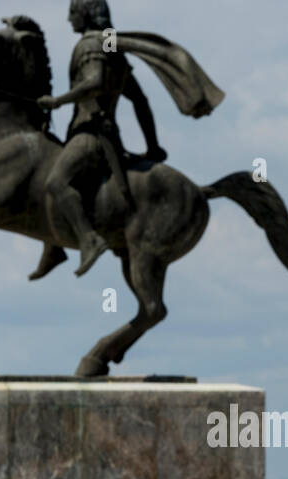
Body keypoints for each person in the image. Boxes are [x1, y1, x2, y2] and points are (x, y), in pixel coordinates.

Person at [37, 0, 223, 276]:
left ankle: (89, 240)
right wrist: (153, 145)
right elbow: (140, 102)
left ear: (85, 14)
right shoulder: (113, 51)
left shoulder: (90, 45)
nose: (68, 20)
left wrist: (58, 101)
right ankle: (54, 248)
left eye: (72, 13)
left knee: (54, 182)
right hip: (106, 137)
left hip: (90, 134)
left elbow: (95, 81)